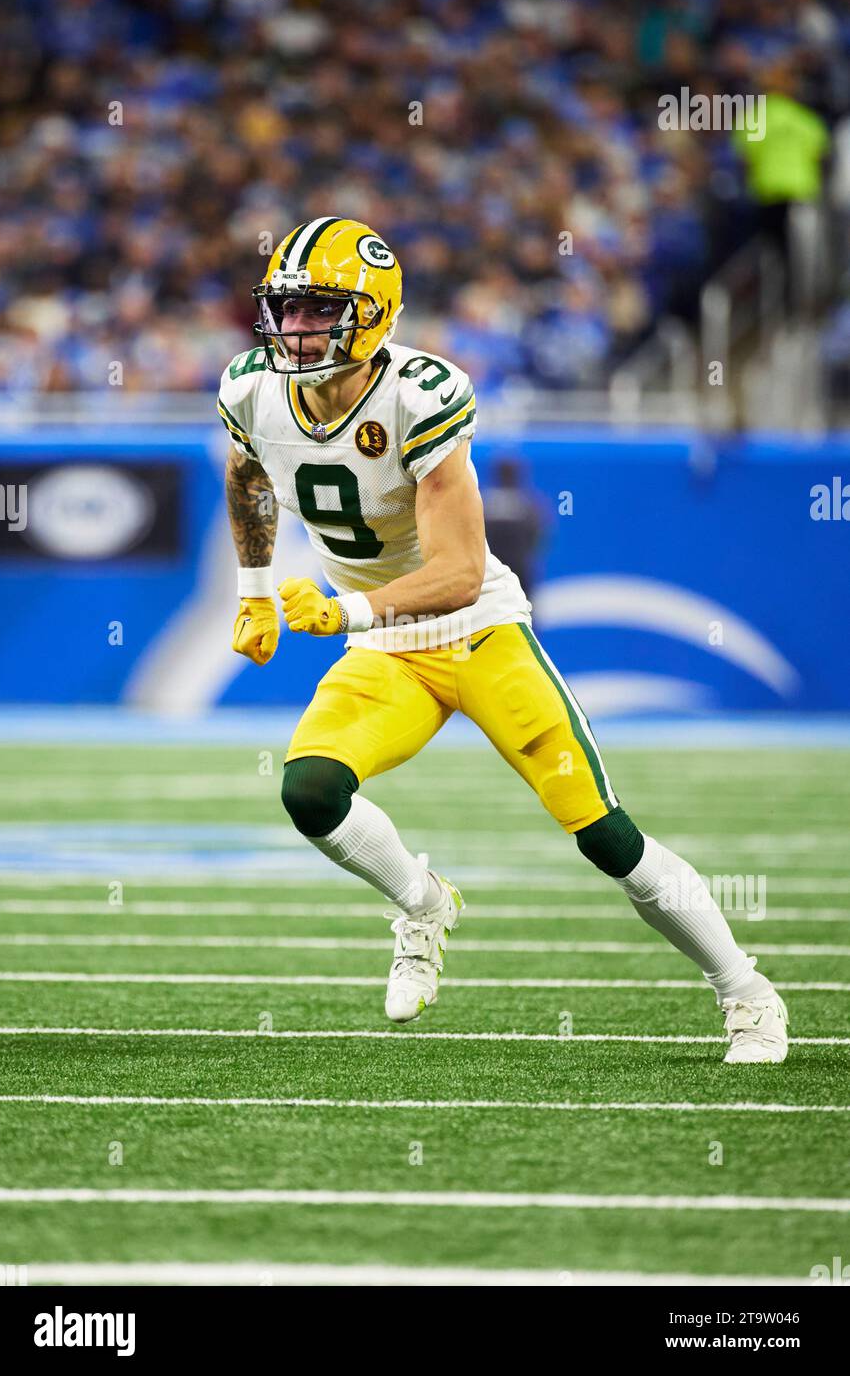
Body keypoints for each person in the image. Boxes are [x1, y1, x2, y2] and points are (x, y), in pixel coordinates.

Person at [218, 216, 788, 1063]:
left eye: (316, 311)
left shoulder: (419, 395)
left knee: (604, 835)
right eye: (286, 310)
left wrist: (346, 614)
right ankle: (421, 903)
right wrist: (256, 591)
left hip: (474, 628)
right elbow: (248, 476)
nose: (294, 330)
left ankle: (746, 991)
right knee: (309, 792)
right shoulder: (251, 390)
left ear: (371, 315)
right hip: (385, 652)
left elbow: (456, 572)